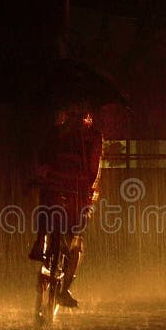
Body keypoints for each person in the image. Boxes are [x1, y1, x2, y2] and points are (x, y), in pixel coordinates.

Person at [29, 103, 103, 308]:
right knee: (76, 240)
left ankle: (40, 242)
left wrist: (41, 177)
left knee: (47, 209)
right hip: (77, 192)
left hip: (54, 188)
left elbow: (43, 159)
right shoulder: (93, 136)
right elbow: (94, 168)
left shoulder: (57, 131)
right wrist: (90, 192)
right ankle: (64, 288)